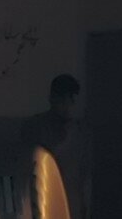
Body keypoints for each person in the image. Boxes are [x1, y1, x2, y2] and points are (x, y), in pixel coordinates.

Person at [20, 74, 92, 219]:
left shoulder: (81, 131)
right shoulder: (36, 127)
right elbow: (30, 167)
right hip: (44, 200)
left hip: (73, 203)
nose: (68, 105)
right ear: (53, 98)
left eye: (72, 100)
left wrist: (86, 206)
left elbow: (85, 173)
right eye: (63, 99)